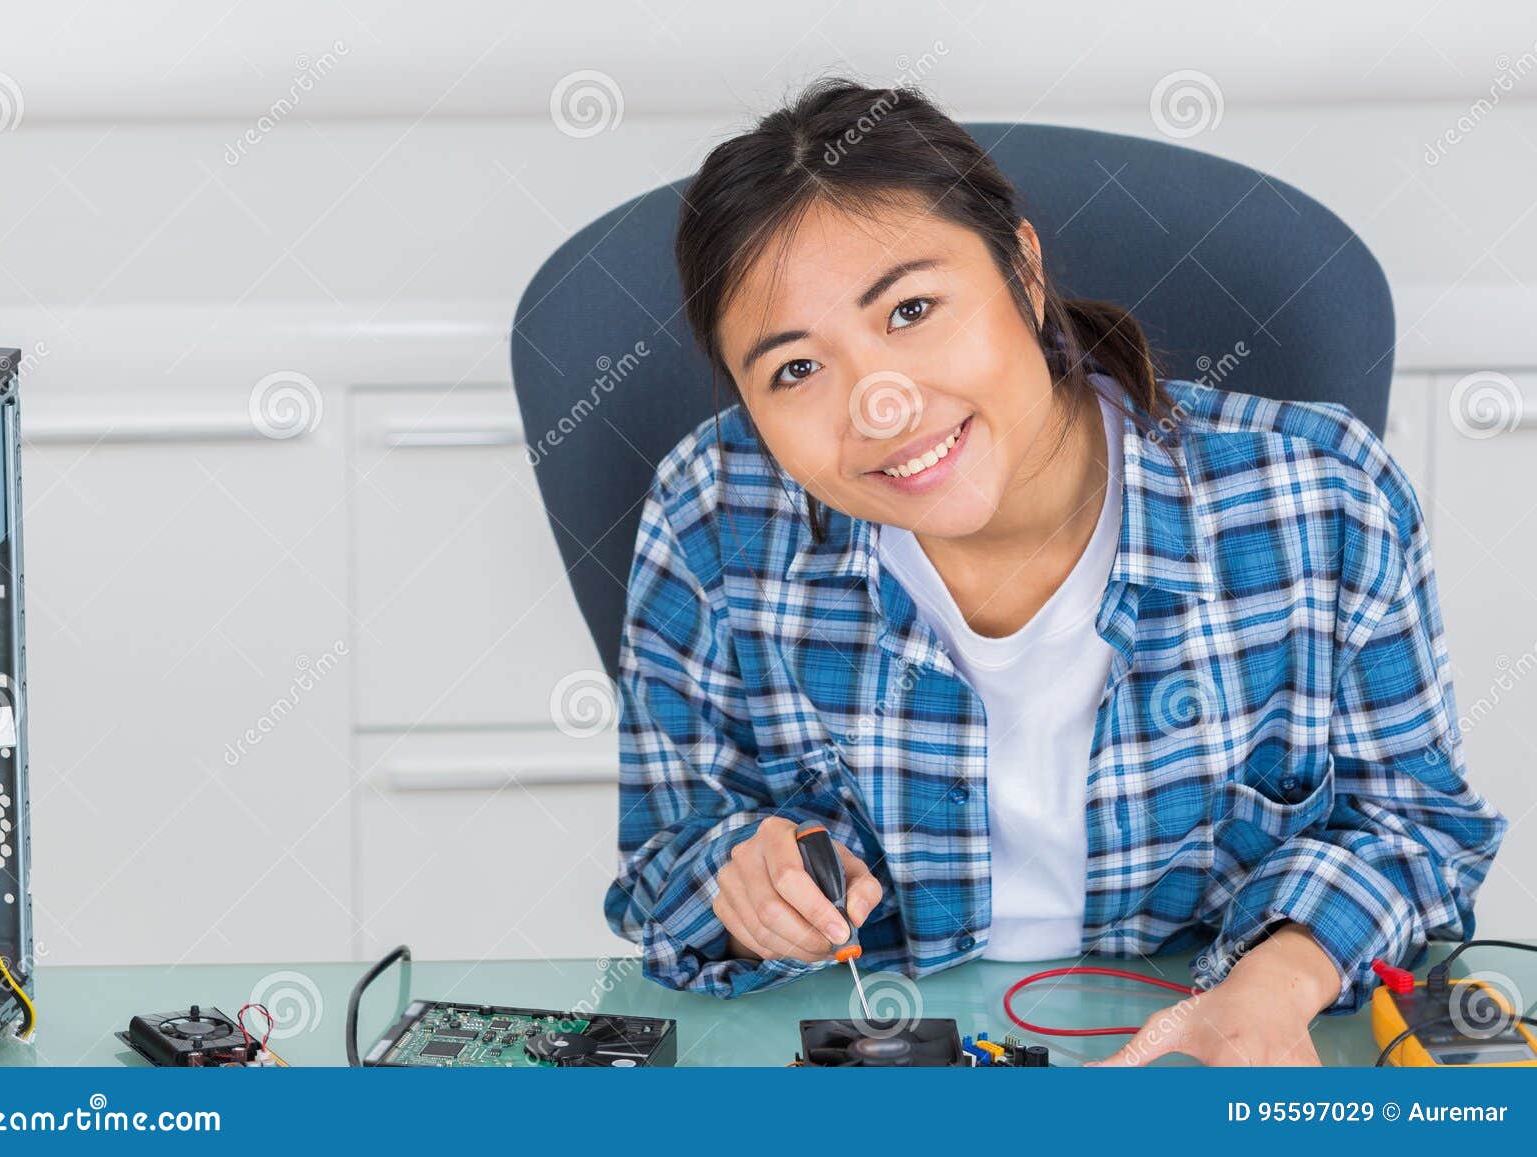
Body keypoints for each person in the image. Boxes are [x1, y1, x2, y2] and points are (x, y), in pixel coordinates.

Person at [602, 77, 1506, 1066]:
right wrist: (743, 890)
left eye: (910, 308)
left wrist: (1272, 984)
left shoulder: (1323, 499)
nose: (880, 405)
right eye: (795, 369)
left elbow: (1413, 826)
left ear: (1022, 273)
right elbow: (666, 869)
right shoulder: (712, 513)